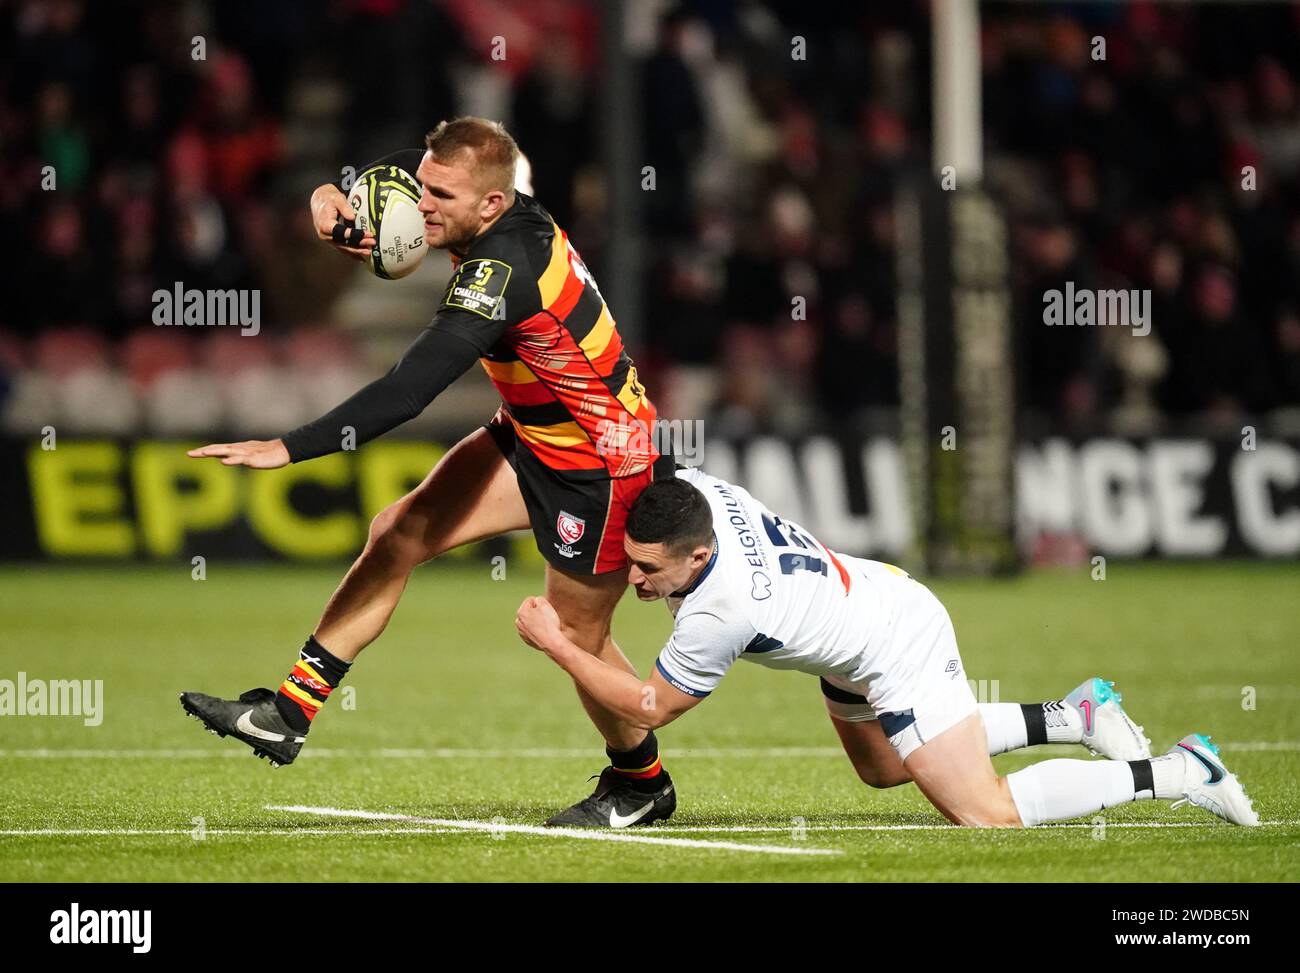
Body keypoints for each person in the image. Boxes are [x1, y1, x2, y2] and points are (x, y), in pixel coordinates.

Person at [180, 117, 676, 827]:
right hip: (536, 432)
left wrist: (289, 446)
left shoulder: (502, 271)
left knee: (573, 637)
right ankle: (288, 711)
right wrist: (333, 193)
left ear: (493, 207)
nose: (420, 204)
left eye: (439, 194)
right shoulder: (492, 198)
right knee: (399, 530)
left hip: (602, 460)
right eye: (423, 187)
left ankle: (641, 784)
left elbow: (408, 389)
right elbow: (400, 165)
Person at [514, 468, 1260, 828]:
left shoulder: (724, 606)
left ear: (699, 557)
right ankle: (1074, 716)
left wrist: (560, 641)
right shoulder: (695, 494)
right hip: (857, 620)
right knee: (882, 770)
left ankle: (1178, 768)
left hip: (895, 638)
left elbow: (650, 705)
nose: (635, 578)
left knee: (985, 814)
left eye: (649, 569)